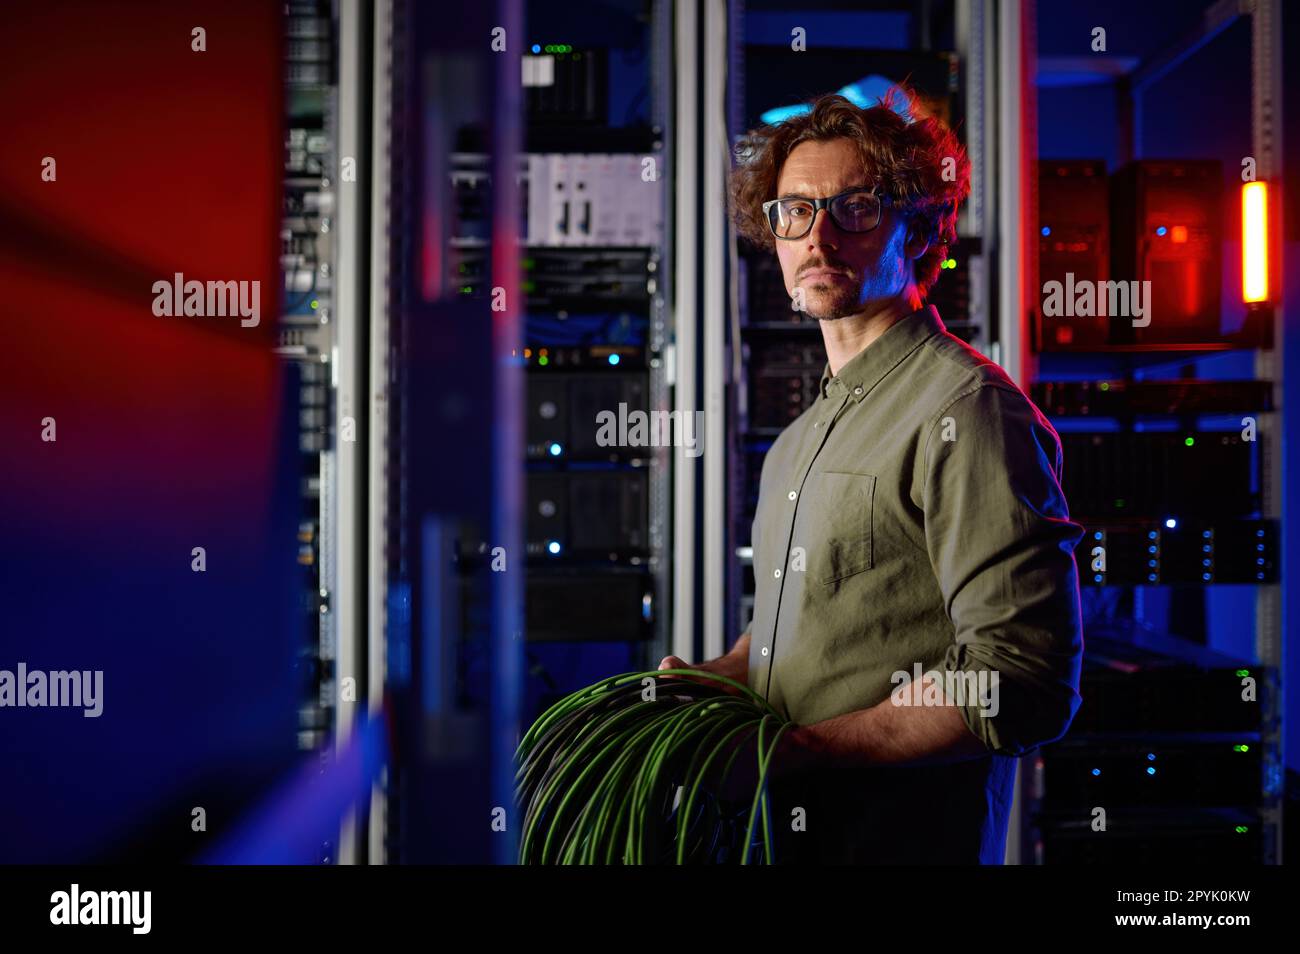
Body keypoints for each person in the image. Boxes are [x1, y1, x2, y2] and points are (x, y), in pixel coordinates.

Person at [659, 90, 1084, 864]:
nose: (818, 236)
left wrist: (805, 751)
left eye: (854, 207)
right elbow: (820, 622)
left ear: (917, 228)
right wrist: (721, 677)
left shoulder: (968, 409)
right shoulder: (798, 439)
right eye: (794, 211)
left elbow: (1018, 680)